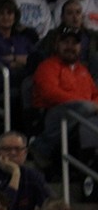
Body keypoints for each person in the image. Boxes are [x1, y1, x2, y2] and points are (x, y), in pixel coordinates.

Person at [30, 26, 98, 168]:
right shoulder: (47, 66)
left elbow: (95, 94)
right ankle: (41, 147)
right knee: (85, 106)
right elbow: (49, 93)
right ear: (57, 45)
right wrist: (86, 103)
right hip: (53, 113)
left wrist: (93, 105)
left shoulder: (83, 70)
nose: (70, 47)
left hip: (84, 115)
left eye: (74, 43)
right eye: (66, 42)